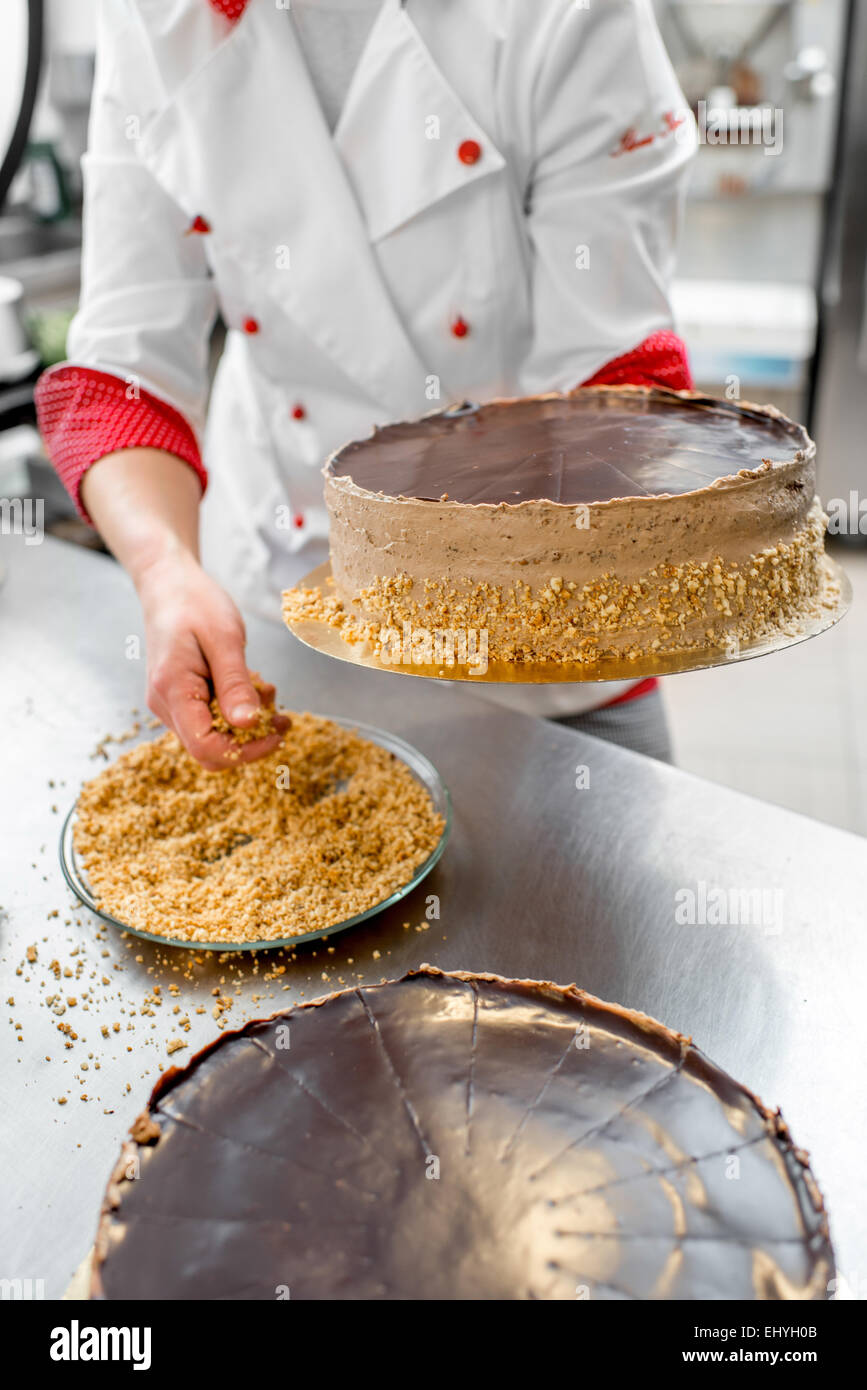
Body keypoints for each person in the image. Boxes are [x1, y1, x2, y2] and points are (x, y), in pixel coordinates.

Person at [36, 0, 696, 768]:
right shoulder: (158, 16)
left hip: (546, 606)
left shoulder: (567, 14)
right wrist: (164, 571)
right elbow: (127, 372)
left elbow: (612, 375)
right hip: (288, 598)